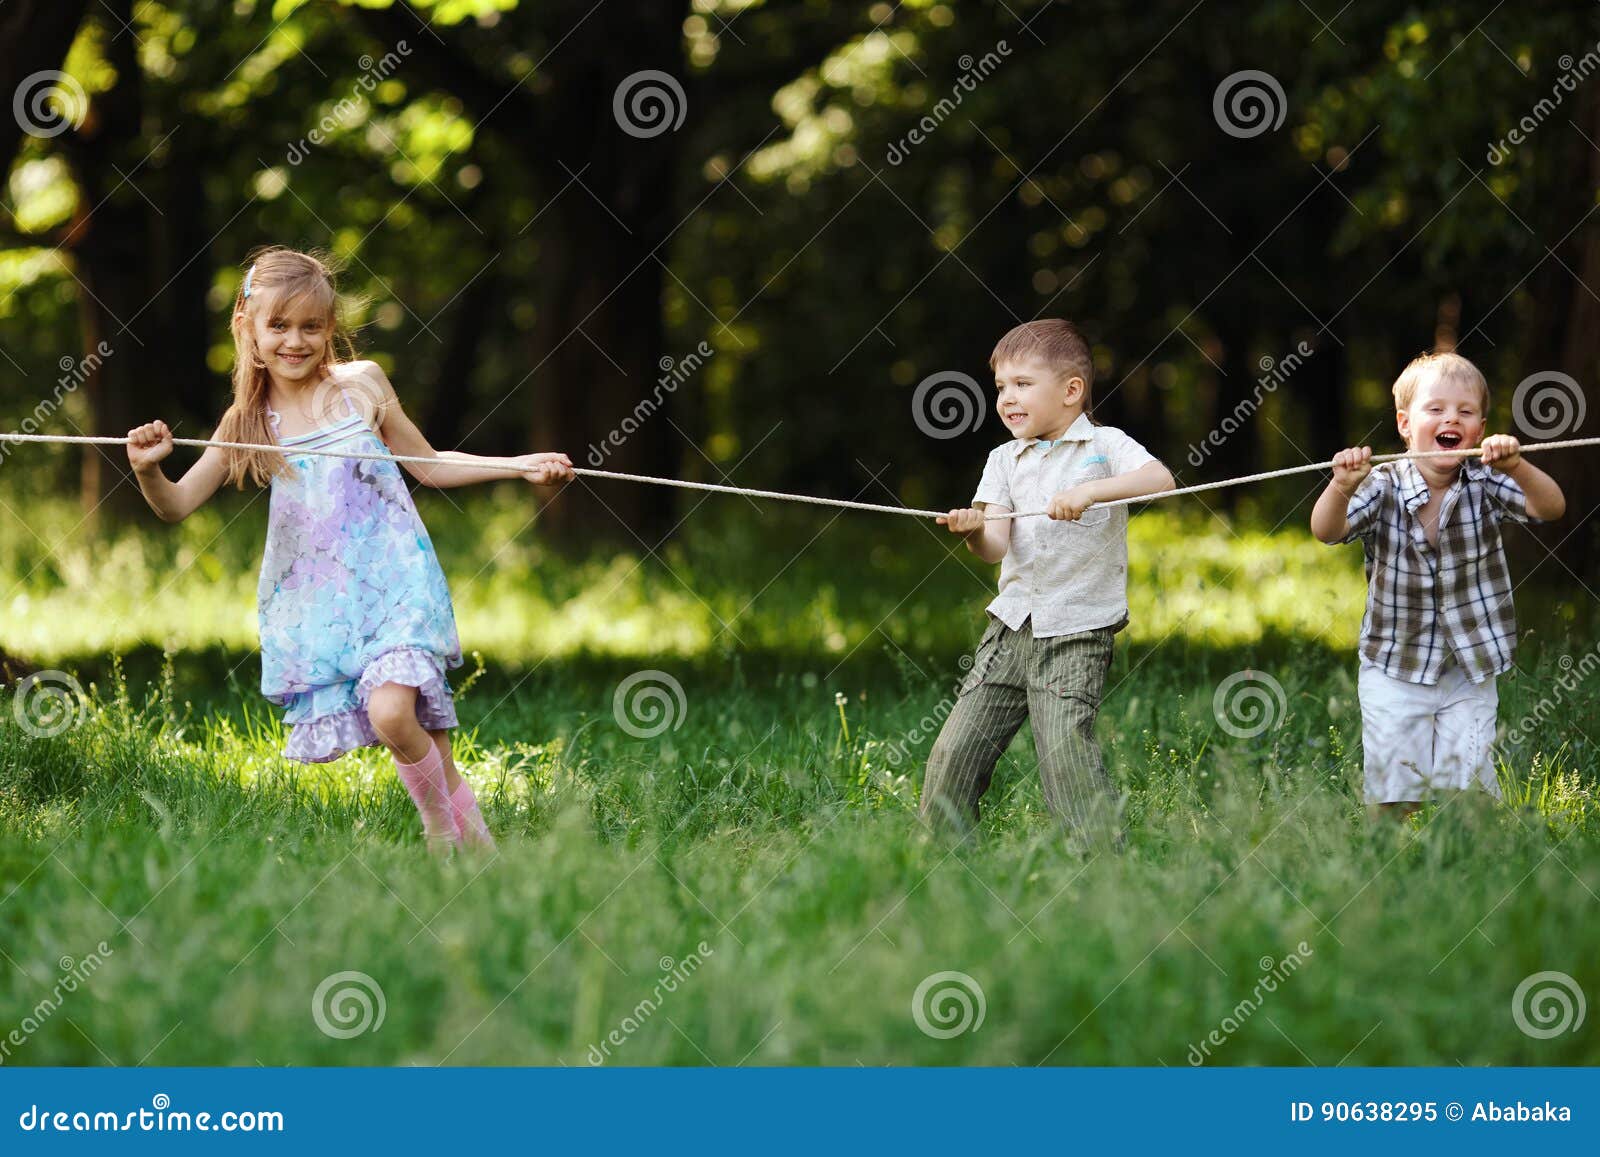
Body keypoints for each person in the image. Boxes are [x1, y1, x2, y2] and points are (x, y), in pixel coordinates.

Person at [125, 246, 574, 853]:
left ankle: (439, 831)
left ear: (330, 328)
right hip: (323, 606)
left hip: (396, 583)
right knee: (428, 741)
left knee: (393, 716)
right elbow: (175, 505)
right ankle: (483, 861)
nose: (295, 340)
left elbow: (431, 465)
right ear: (248, 330)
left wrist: (519, 467)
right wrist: (149, 470)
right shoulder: (247, 422)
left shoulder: (362, 385)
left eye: (311, 325)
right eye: (278, 325)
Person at [920, 319, 1175, 850]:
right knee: (955, 748)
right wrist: (971, 533)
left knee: (1063, 749)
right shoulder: (1003, 460)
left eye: (1022, 384)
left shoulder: (1104, 446)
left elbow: (1161, 481)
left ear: (1071, 391)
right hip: (1011, 627)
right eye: (1000, 388)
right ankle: (940, 853)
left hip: (1077, 631)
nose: (1007, 398)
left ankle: (1103, 861)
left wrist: (1092, 493)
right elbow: (994, 546)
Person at [1310, 351, 1566, 817]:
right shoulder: (1381, 484)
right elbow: (1327, 531)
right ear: (1406, 424)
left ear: (1480, 429)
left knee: (1469, 792)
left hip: (1470, 668)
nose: (1452, 418)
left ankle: (1464, 867)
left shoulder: (1487, 480)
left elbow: (1551, 508)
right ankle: (1389, 867)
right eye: (1437, 409)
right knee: (1395, 792)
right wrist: (1340, 485)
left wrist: (1518, 467)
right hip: (1395, 666)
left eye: (1465, 412)